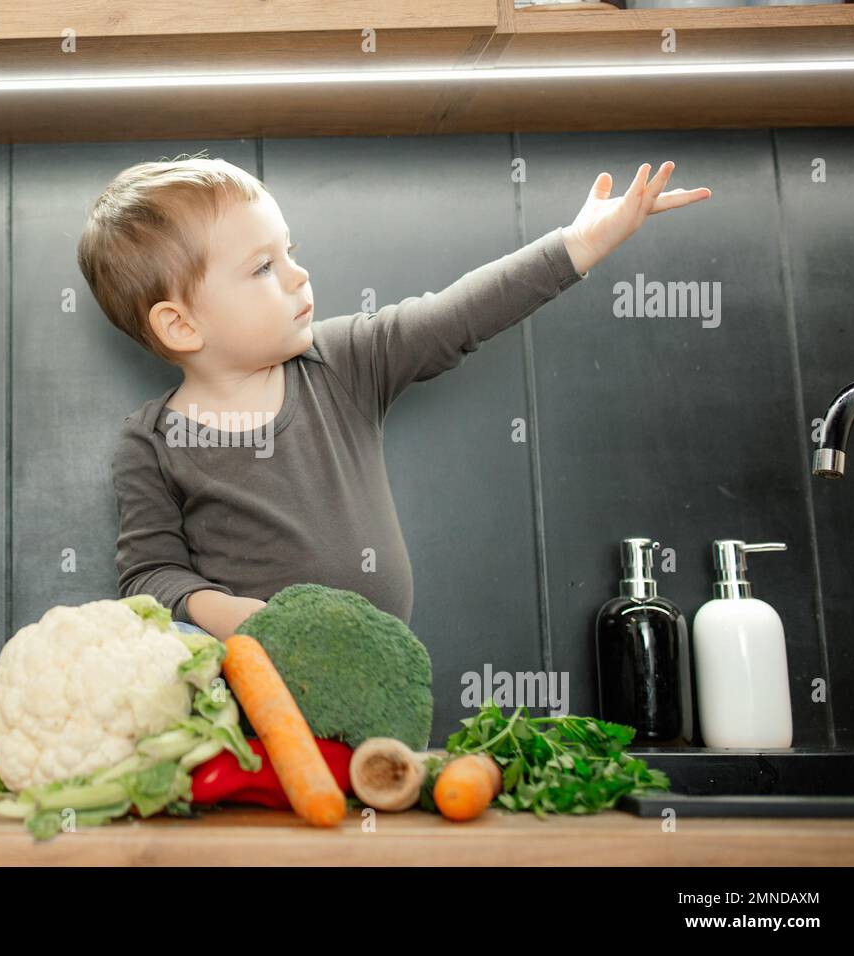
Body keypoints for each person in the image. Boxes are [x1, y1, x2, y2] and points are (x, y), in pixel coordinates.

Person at [78, 154, 709, 640]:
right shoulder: (152, 443)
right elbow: (150, 577)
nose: (299, 275)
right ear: (180, 325)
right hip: (242, 693)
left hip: (380, 682)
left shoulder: (342, 363)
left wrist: (580, 244)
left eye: (288, 252)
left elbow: (456, 316)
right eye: (262, 268)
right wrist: (241, 620)